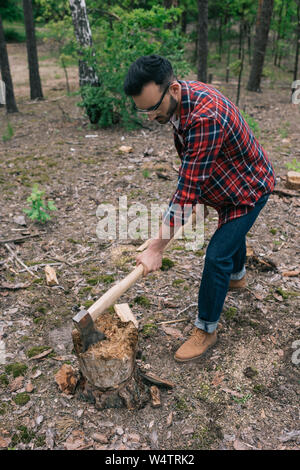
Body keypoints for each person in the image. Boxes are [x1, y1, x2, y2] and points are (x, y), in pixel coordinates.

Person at [123, 55, 275, 363]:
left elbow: (186, 192)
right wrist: (197, 197)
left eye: (153, 109)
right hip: (228, 184)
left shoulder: (205, 117)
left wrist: (156, 248)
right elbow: (193, 173)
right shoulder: (183, 100)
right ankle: (238, 275)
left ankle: (207, 328)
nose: (150, 117)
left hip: (248, 189)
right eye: (143, 111)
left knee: (217, 254)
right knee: (229, 237)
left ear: (174, 89)